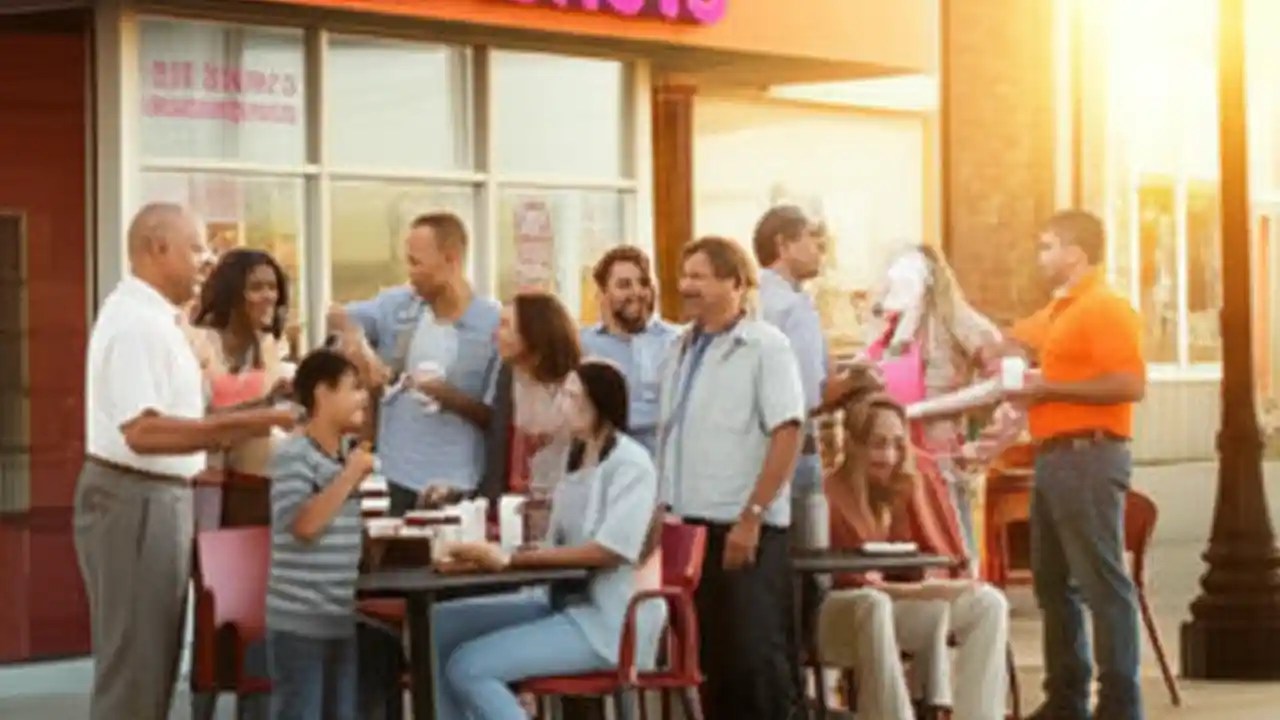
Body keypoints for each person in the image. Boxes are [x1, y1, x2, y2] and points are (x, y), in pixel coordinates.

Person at [75, 202, 295, 720]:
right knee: (135, 672)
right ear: (157, 248)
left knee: (152, 666)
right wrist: (256, 422)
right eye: (196, 247)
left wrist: (263, 410)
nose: (206, 260)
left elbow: (190, 415)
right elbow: (143, 431)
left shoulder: (159, 320)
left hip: (160, 500)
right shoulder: (134, 325)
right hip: (135, 499)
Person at [431, 360, 665, 720]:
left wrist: (510, 561)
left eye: (574, 397)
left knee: (469, 667)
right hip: (562, 600)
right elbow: (556, 544)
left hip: (609, 620)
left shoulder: (631, 464)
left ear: (599, 404)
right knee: (439, 624)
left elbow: (608, 551)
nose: (564, 405)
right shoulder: (574, 458)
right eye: (564, 395)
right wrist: (486, 556)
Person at [656, 235, 806, 720]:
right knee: (711, 663)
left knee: (757, 664)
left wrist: (753, 516)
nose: (687, 286)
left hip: (743, 530)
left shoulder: (766, 346)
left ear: (735, 283)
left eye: (699, 276)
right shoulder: (680, 347)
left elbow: (787, 432)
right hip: (689, 528)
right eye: (685, 276)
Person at [1007, 210, 1146, 720]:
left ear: (1075, 254)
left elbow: (1130, 384)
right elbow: (1014, 338)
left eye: (1047, 246)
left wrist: (1050, 387)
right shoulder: (1060, 311)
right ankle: (1066, 697)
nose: (1040, 255)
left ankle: (1119, 705)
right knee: (1052, 584)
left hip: (1089, 454)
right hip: (1052, 457)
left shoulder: (1105, 308)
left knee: (1101, 583)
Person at [817, 392, 1009, 720]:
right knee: (874, 604)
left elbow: (919, 561)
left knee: (989, 603)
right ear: (852, 444)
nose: (889, 457)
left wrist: (937, 586)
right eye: (878, 444)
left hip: (890, 608)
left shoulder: (898, 491)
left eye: (896, 445)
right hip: (840, 615)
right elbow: (854, 584)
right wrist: (927, 591)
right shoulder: (827, 497)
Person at [329, 212, 501, 515]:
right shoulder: (398, 306)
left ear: (451, 259)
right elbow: (337, 316)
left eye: (416, 263)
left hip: (458, 483)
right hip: (395, 476)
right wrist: (362, 352)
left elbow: (496, 418)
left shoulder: (492, 324)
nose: (411, 273)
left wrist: (446, 395)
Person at [751, 205, 870, 542]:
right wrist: (858, 381)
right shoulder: (793, 307)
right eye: (811, 238)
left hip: (753, 448)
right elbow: (808, 397)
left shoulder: (752, 298)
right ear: (783, 245)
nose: (820, 248)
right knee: (808, 556)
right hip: (794, 451)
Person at [266, 349, 373, 720]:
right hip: (299, 623)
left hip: (339, 618)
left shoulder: (344, 456)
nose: (363, 397)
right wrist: (349, 478)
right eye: (353, 388)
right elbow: (304, 525)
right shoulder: (294, 454)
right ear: (323, 394)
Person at [187, 248, 293, 526]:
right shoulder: (200, 343)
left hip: (255, 485)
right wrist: (265, 406)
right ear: (232, 293)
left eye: (272, 287)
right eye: (256, 288)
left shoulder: (271, 346)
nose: (268, 296)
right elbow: (198, 418)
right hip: (207, 479)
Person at [580, 245, 680, 454]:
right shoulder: (584, 346)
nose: (636, 292)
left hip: (666, 464)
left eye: (643, 283)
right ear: (602, 294)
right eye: (624, 285)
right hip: (608, 463)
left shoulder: (678, 341)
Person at [495, 291, 582, 495]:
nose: (497, 333)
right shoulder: (510, 377)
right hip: (521, 497)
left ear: (532, 332)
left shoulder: (576, 387)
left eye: (505, 325)